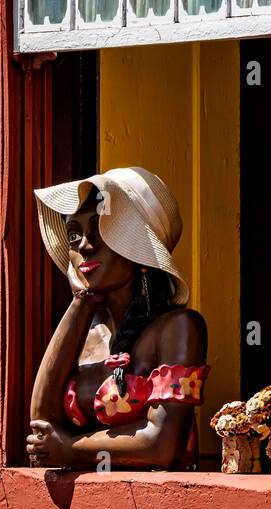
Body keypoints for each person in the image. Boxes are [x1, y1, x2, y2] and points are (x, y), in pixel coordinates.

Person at [27, 166, 209, 470]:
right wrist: (81, 302)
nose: (85, 245)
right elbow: (41, 424)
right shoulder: (83, 333)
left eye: (101, 230)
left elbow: (161, 445)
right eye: (74, 234)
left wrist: (70, 449)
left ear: (141, 252)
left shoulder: (179, 328)